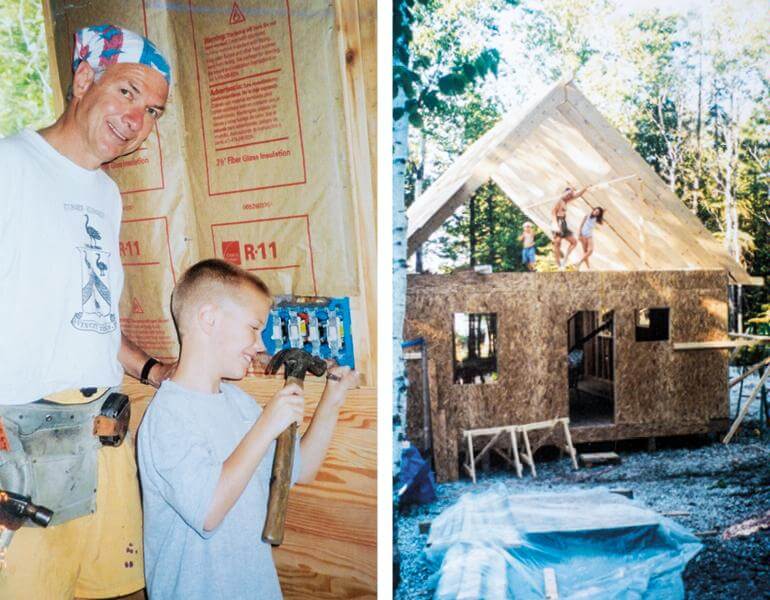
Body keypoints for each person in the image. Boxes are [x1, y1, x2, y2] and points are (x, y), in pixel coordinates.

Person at [0, 24, 174, 599]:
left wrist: (153, 372)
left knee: (112, 592)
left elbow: (92, 311)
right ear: (83, 79)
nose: (137, 119)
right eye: (127, 92)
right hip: (20, 438)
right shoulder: (10, 166)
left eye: (152, 110)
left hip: (101, 430)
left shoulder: (106, 193)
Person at [137, 259, 357, 599]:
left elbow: (303, 468)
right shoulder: (167, 418)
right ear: (209, 319)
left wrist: (333, 398)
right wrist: (268, 424)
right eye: (253, 328)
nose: (261, 345)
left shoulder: (239, 403)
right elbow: (208, 511)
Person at [551, 185, 588, 269]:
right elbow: (553, 212)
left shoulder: (566, 201)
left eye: (570, 195)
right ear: (564, 193)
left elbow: (577, 195)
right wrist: (555, 225)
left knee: (574, 242)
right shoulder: (560, 201)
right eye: (568, 194)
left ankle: (565, 260)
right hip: (558, 222)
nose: (569, 196)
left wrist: (585, 188)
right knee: (557, 244)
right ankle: (559, 265)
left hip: (563, 223)